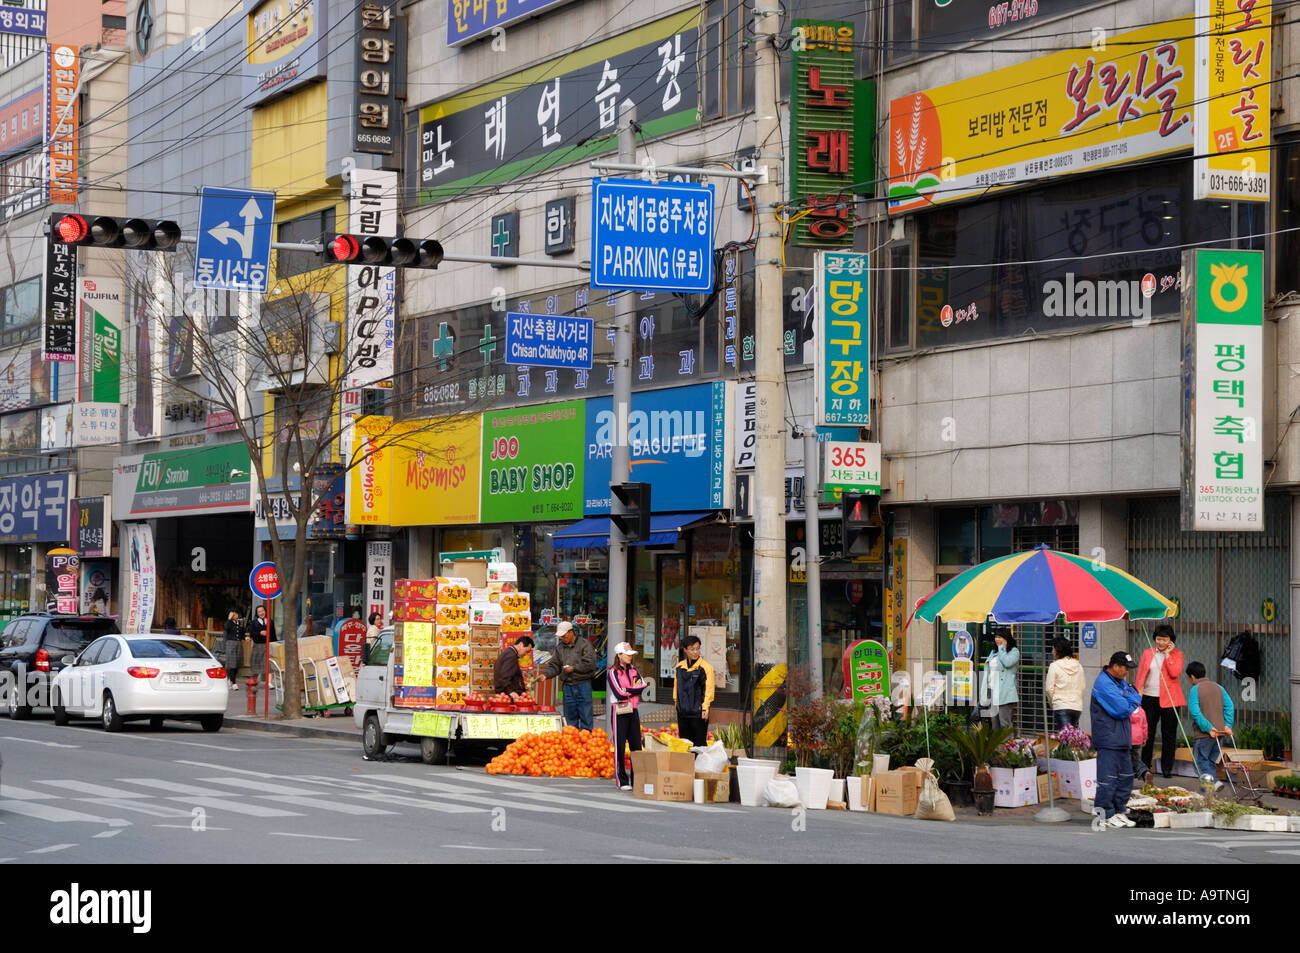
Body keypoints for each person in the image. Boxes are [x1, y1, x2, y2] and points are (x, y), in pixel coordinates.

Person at [1090, 651, 1142, 827]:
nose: (1127, 671)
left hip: (1121, 738)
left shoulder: (1118, 682)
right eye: (1125, 668)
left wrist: (1130, 699)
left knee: (1126, 776)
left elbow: (1135, 697)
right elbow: (1121, 709)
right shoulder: (1103, 684)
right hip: (1108, 739)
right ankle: (1105, 813)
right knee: (1108, 779)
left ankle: (1119, 810)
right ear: (1115, 666)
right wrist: (1131, 699)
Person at [1134, 624, 1186, 778]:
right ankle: (1144, 767)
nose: (1161, 642)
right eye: (1158, 639)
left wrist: (1168, 655)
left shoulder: (1177, 654)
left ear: (1171, 641)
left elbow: (1175, 672)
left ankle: (1167, 768)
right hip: (1149, 698)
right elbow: (1141, 675)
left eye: (1164, 639)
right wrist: (1137, 695)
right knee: (1147, 733)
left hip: (1170, 700)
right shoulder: (1148, 653)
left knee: (1168, 734)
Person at [539, 621, 596, 731]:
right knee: (570, 717)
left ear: (571, 632)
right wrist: (546, 675)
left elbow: (590, 664)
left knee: (586, 715)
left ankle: (586, 741)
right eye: (561, 636)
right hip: (567, 686)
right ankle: (572, 742)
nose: (562, 638)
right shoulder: (560, 648)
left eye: (564, 635)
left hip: (583, 684)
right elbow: (554, 665)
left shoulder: (585, 644)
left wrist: (574, 668)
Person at [1186, 661, 1235, 790]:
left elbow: (1195, 712)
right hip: (1220, 732)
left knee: (1199, 762)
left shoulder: (1195, 689)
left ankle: (1214, 783)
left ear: (1192, 677)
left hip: (1204, 734)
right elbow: (1229, 706)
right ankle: (1208, 794)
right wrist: (1227, 725)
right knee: (1210, 762)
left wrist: (1207, 727)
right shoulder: (1219, 687)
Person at [607, 642, 646, 792]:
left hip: (633, 710)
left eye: (631, 654)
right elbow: (618, 693)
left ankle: (636, 779)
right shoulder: (613, 672)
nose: (630, 657)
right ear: (619, 655)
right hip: (619, 711)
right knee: (620, 746)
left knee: (636, 746)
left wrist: (628, 690)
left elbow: (642, 686)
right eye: (627, 654)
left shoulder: (634, 670)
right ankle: (621, 779)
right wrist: (632, 689)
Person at [674, 634, 714, 747]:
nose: (695, 652)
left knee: (699, 744)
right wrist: (676, 703)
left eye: (697, 649)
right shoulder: (679, 667)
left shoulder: (706, 668)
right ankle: (687, 765)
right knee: (685, 744)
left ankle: (700, 765)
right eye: (692, 649)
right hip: (682, 712)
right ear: (685, 650)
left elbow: (709, 690)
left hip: (698, 713)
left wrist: (705, 708)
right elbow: (676, 687)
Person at [984, 628, 1019, 732]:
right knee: (994, 723)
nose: (997, 639)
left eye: (1000, 637)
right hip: (992, 690)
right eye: (996, 637)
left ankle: (1008, 747)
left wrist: (1002, 649)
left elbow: (1007, 663)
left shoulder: (1014, 652)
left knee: (1005, 723)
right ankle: (997, 748)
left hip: (1005, 692)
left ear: (1006, 638)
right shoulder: (993, 652)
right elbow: (988, 672)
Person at [1045, 636, 1085, 729]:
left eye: (1053, 649)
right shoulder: (1078, 665)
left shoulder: (1054, 666)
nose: (1052, 652)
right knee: (1073, 738)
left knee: (1066, 739)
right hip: (1076, 707)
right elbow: (1082, 686)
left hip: (1061, 705)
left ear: (1058, 650)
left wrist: (1053, 703)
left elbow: (1049, 689)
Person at [222, 610, 245, 690]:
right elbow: (226, 628)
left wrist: (245, 638)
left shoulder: (239, 623)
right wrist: (229, 619)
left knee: (237, 663)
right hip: (230, 644)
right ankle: (234, 682)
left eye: (236, 613)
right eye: (233, 614)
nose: (235, 615)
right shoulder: (229, 623)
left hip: (238, 644)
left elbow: (242, 634)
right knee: (232, 664)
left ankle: (230, 679)